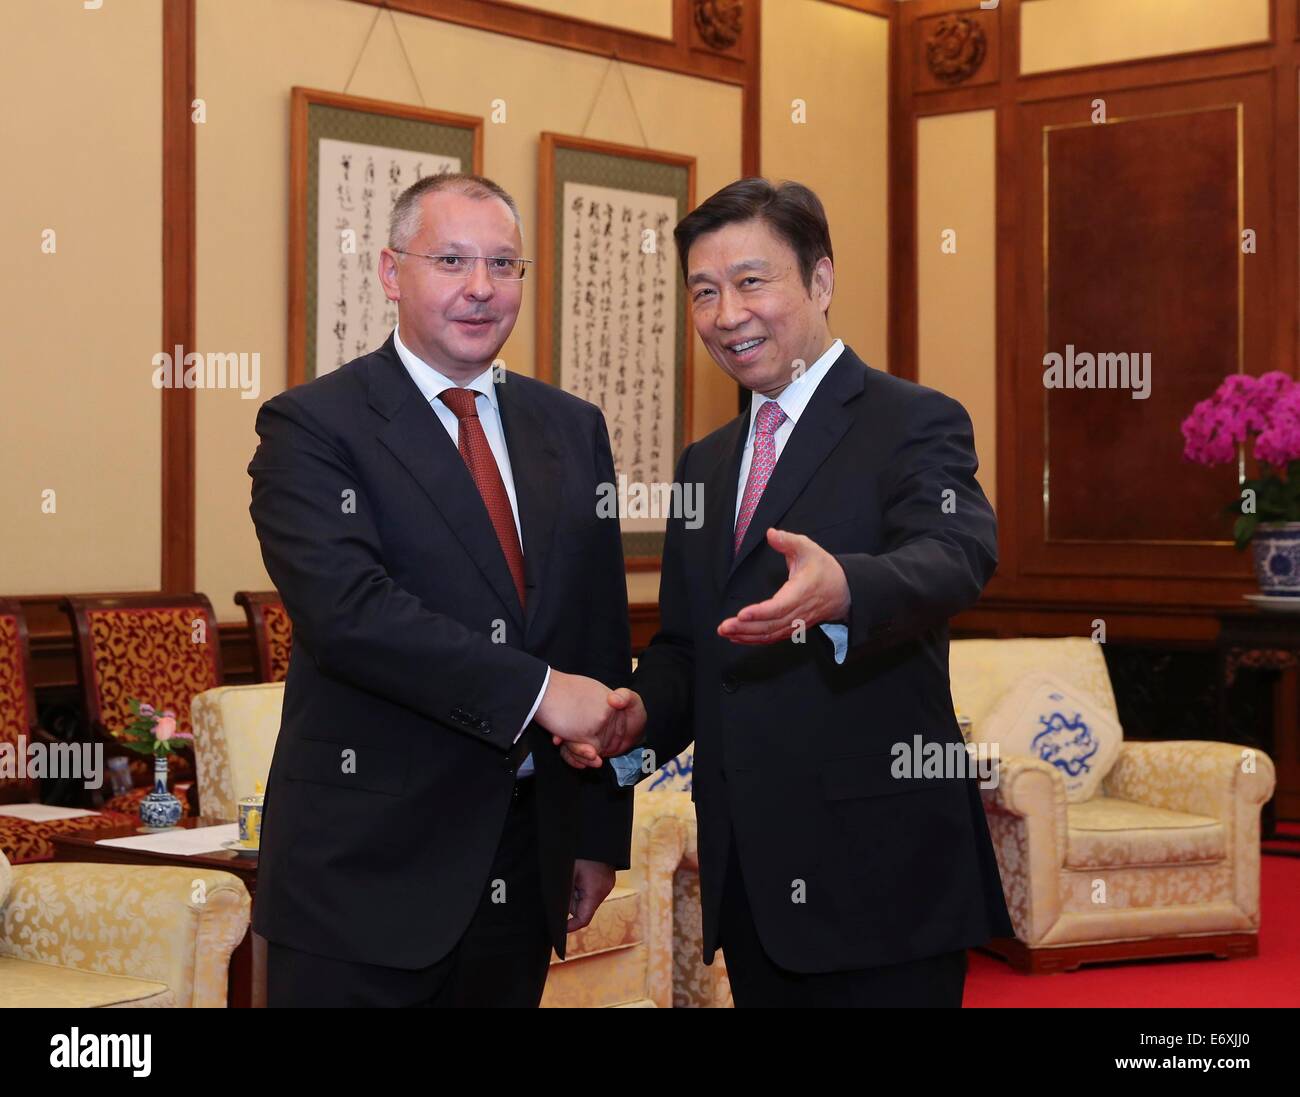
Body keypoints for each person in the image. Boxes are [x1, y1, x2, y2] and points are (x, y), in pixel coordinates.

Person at [565, 177, 1014, 1007]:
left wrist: (846, 587)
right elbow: (690, 648)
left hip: (885, 878)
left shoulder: (913, 419)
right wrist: (636, 716)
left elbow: (958, 552)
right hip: (754, 882)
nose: (727, 313)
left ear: (821, 280)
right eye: (704, 291)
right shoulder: (706, 462)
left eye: (751, 281)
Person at [248, 172, 634, 1007]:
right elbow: (350, 615)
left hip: (520, 866)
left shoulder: (572, 429)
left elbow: (598, 630)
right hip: (361, 877)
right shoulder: (313, 426)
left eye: (503, 263)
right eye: (451, 260)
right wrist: (540, 693)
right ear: (391, 272)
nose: (481, 286)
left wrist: (598, 833)